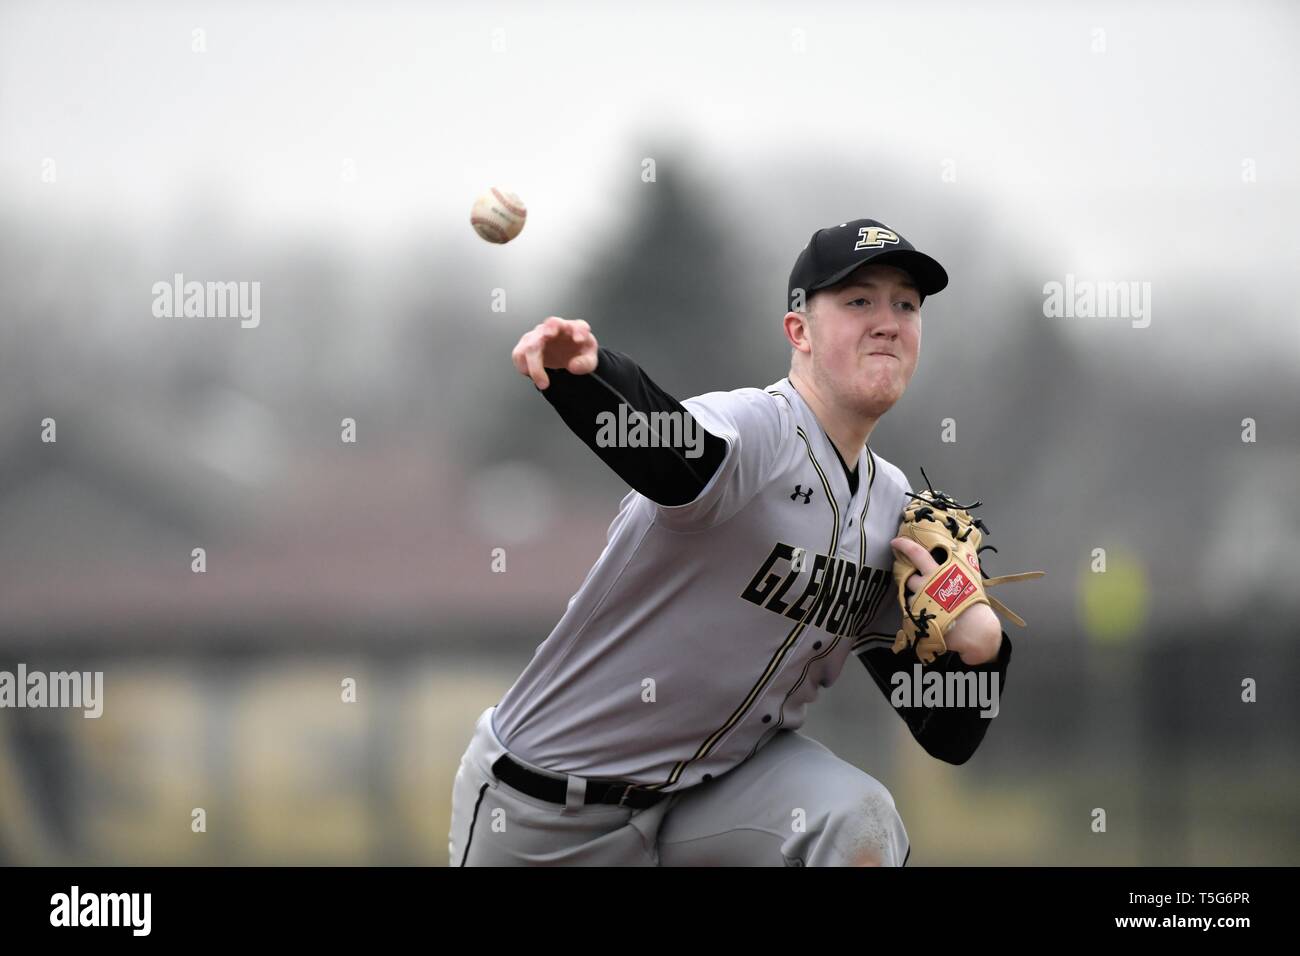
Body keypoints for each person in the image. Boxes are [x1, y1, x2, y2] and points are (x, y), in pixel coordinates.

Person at [449, 218, 1011, 866]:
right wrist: (591, 379)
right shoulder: (759, 433)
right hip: (547, 811)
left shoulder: (893, 511)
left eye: (905, 305)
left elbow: (951, 733)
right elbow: (672, 453)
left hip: (711, 804)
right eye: (859, 301)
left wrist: (981, 645)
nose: (887, 320)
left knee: (856, 820)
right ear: (799, 330)